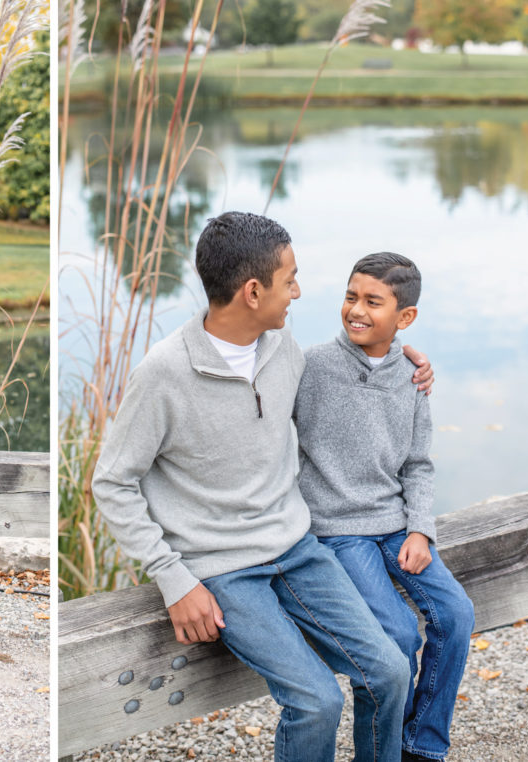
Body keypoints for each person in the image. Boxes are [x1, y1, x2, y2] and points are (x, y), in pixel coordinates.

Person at [92, 211, 433, 762]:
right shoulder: (164, 373)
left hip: (298, 551)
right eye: (289, 279)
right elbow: (112, 483)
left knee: (390, 672)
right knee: (317, 702)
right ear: (253, 291)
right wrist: (174, 579)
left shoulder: (282, 349)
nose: (298, 292)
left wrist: (402, 361)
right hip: (223, 568)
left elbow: (345, 380)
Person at [294, 252, 474, 762]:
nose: (357, 310)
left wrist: (421, 529)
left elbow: (417, 464)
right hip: (336, 529)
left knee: (457, 613)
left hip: (397, 526)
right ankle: (380, 749)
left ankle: (421, 746)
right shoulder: (310, 366)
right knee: (396, 633)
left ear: (405, 317)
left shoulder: (412, 378)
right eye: (351, 297)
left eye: (374, 302)